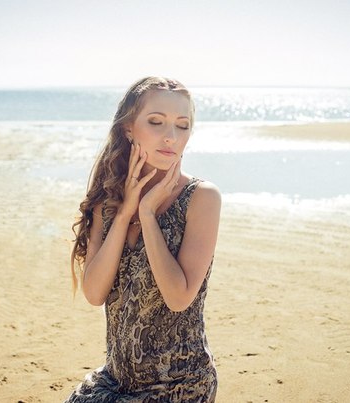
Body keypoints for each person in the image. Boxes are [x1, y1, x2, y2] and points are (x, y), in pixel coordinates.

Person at [65, 77, 221, 402]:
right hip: (114, 380)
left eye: (182, 126)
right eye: (156, 122)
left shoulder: (201, 198)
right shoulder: (107, 202)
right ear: (128, 129)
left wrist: (148, 215)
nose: (171, 136)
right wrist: (125, 214)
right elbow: (94, 293)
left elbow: (178, 298)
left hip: (180, 384)